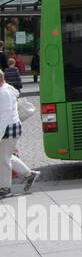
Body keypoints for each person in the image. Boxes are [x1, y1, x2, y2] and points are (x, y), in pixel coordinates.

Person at [0, 68, 39, 197]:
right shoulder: (6, 89)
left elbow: (3, 117)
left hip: (8, 128)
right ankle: (29, 174)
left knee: (4, 159)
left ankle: (5, 188)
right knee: (7, 156)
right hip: (10, 128)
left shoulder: (4, 93)